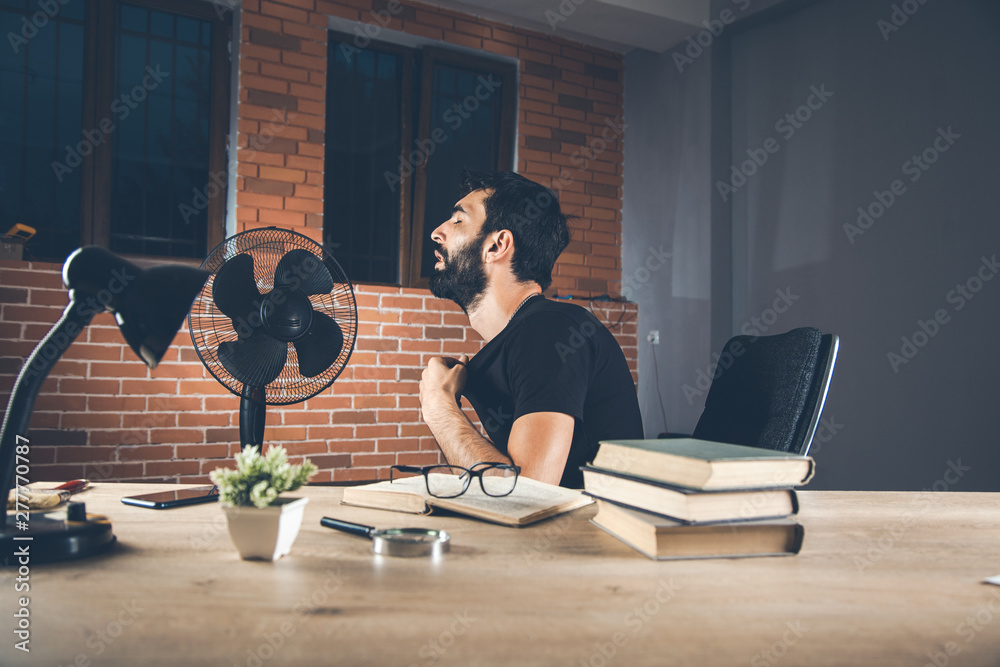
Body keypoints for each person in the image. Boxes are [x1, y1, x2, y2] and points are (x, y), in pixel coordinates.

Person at [418, 170, 644, 488]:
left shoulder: (551, 331)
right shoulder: (526, 334)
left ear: (497, 246)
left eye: (457, 221)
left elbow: (526, 494)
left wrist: (438, 404)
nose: (437, 233)